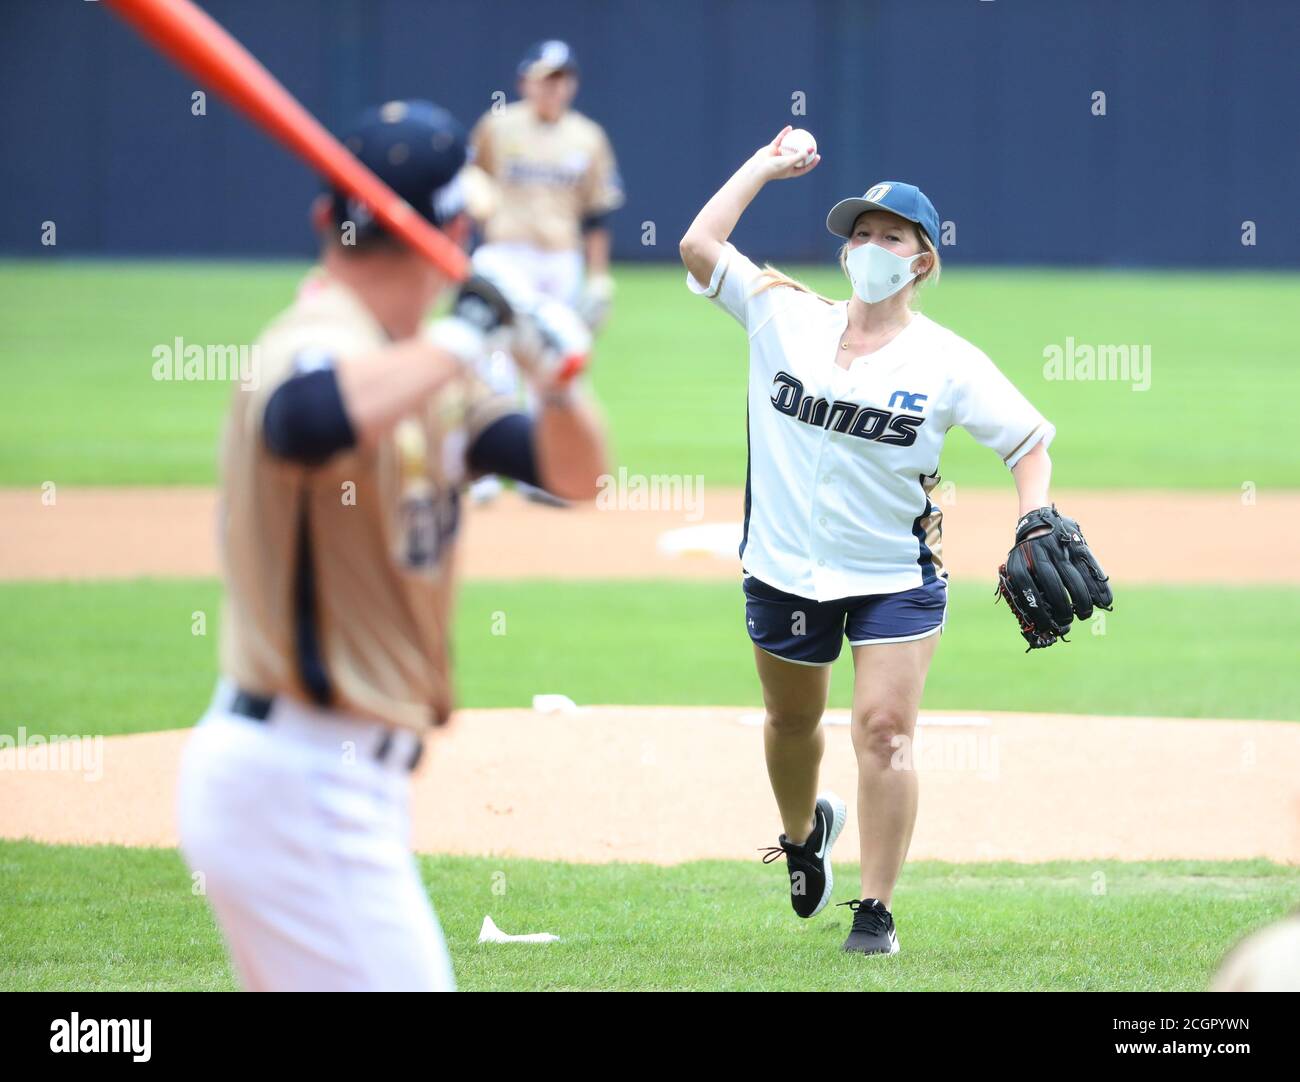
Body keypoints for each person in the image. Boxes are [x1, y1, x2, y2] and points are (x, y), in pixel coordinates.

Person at [177, 99, 609, 991]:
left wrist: (559, 382)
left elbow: (571, 480)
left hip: (332, 786)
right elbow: (305, 420)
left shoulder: (421, 359)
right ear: (449, 226)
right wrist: (468, 336)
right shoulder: (316, 336)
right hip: (298, 780)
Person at [679, 126, 1109, 956]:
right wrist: (767, 166)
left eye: (892, 237)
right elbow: (700, 244)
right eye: (862, 234)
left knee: (883, 731)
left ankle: (874, 911)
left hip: (893, 574)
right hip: (783, 569)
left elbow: (1028, 443)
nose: (871, 247)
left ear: (922, 262)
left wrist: (1034, 514)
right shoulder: (782, 313)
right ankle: (805, 838)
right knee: (791, 722)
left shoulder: (947, 361)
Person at [464, 38, 624, 504]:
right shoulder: (498, 126)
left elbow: (596, 213)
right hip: (505, 254)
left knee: (552, 363)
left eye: (564, 78)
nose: (557, 87)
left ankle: (544, 473)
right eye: (548, 77)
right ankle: (485, 473)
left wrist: (598, 275)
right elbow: (472, 178)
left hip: (559, 258)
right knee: (492, 359)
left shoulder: (587, 136)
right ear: (526, 82)